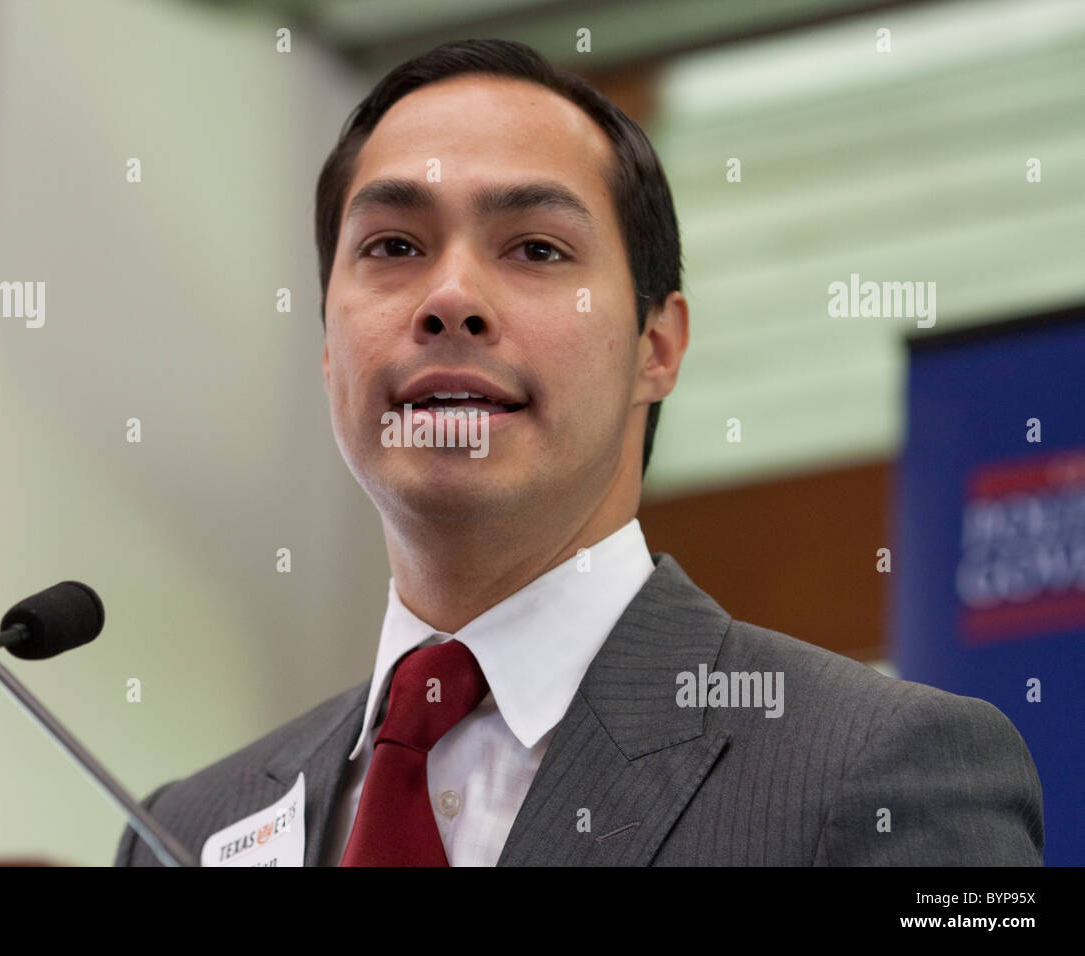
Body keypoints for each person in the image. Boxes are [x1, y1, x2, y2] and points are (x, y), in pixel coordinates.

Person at [116, 38, 1043, 866]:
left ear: (657, 347)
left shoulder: (885, 769)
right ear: (327, 348)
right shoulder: (186, 829)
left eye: (536, 249)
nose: (449, 298)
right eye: (394, 245)